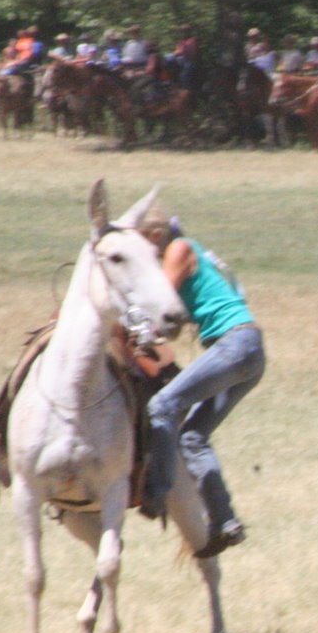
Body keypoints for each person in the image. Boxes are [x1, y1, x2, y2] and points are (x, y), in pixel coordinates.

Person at [137, 202, 266, 558]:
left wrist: (139, 327)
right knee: (192, 437)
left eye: (142, 239)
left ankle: (156, 494)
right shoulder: (187, 249)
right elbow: (172, 324)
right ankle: (225, 523)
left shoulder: (178, 249)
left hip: (234, 344)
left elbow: (159, 306)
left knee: (162, 404)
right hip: (249, 349)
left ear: (157, 235)